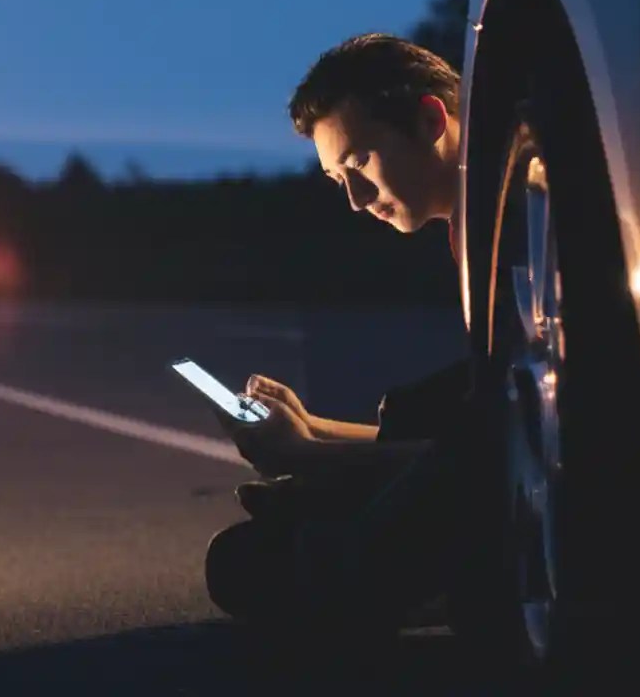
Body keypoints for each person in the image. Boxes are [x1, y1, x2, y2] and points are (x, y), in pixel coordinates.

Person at [203, 33, 482, 641]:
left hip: (577, 496)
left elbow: (503, 448)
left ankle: (446, 584)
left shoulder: (514, 221)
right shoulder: (470, 224)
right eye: (337, 179)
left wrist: (310, 457)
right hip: (487, 462)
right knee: (414, 411)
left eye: (358, 163)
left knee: (277, 565)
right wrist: (311, 427)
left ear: (431, 119)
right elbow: (467, 430)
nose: (355, 201)